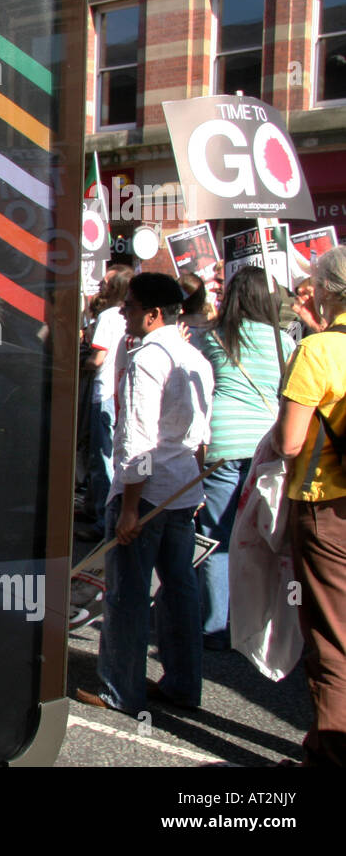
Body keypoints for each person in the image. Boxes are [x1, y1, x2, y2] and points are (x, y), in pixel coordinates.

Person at [75, 273, 213, 715]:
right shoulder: (194, 357)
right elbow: (201, 435)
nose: (123, 312)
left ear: (154, 314)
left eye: (131, 306)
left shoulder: (149, 358)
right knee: (178, 590)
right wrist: (195, 485)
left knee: (129, 595)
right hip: (180, 487)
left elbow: (137, 441)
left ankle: (121, 689)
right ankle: (182, 683)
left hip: (151, 491)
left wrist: (130, 507)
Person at [271, 245, 346, 766]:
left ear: (327, 290)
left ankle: (330, 752)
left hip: (325, 507)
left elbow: (290, 443)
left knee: (332, 639)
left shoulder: (318, 350)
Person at [195, 265, 293, 650]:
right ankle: (257, 621)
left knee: (215, 536)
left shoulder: (215, 339)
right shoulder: (285, 342)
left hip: (221, 444)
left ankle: (215, 625)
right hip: (266, 446)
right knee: (261, 536)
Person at [83, 265, 133, 536]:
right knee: (105, 456)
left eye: (104, 284)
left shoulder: (109, 316)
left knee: (102, 458)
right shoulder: (127, 317)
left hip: (104, 393)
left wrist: (77, 363)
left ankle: (104, 521)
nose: (100, 287)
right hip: (120, 393)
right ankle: (93, 508)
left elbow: (97, 360)